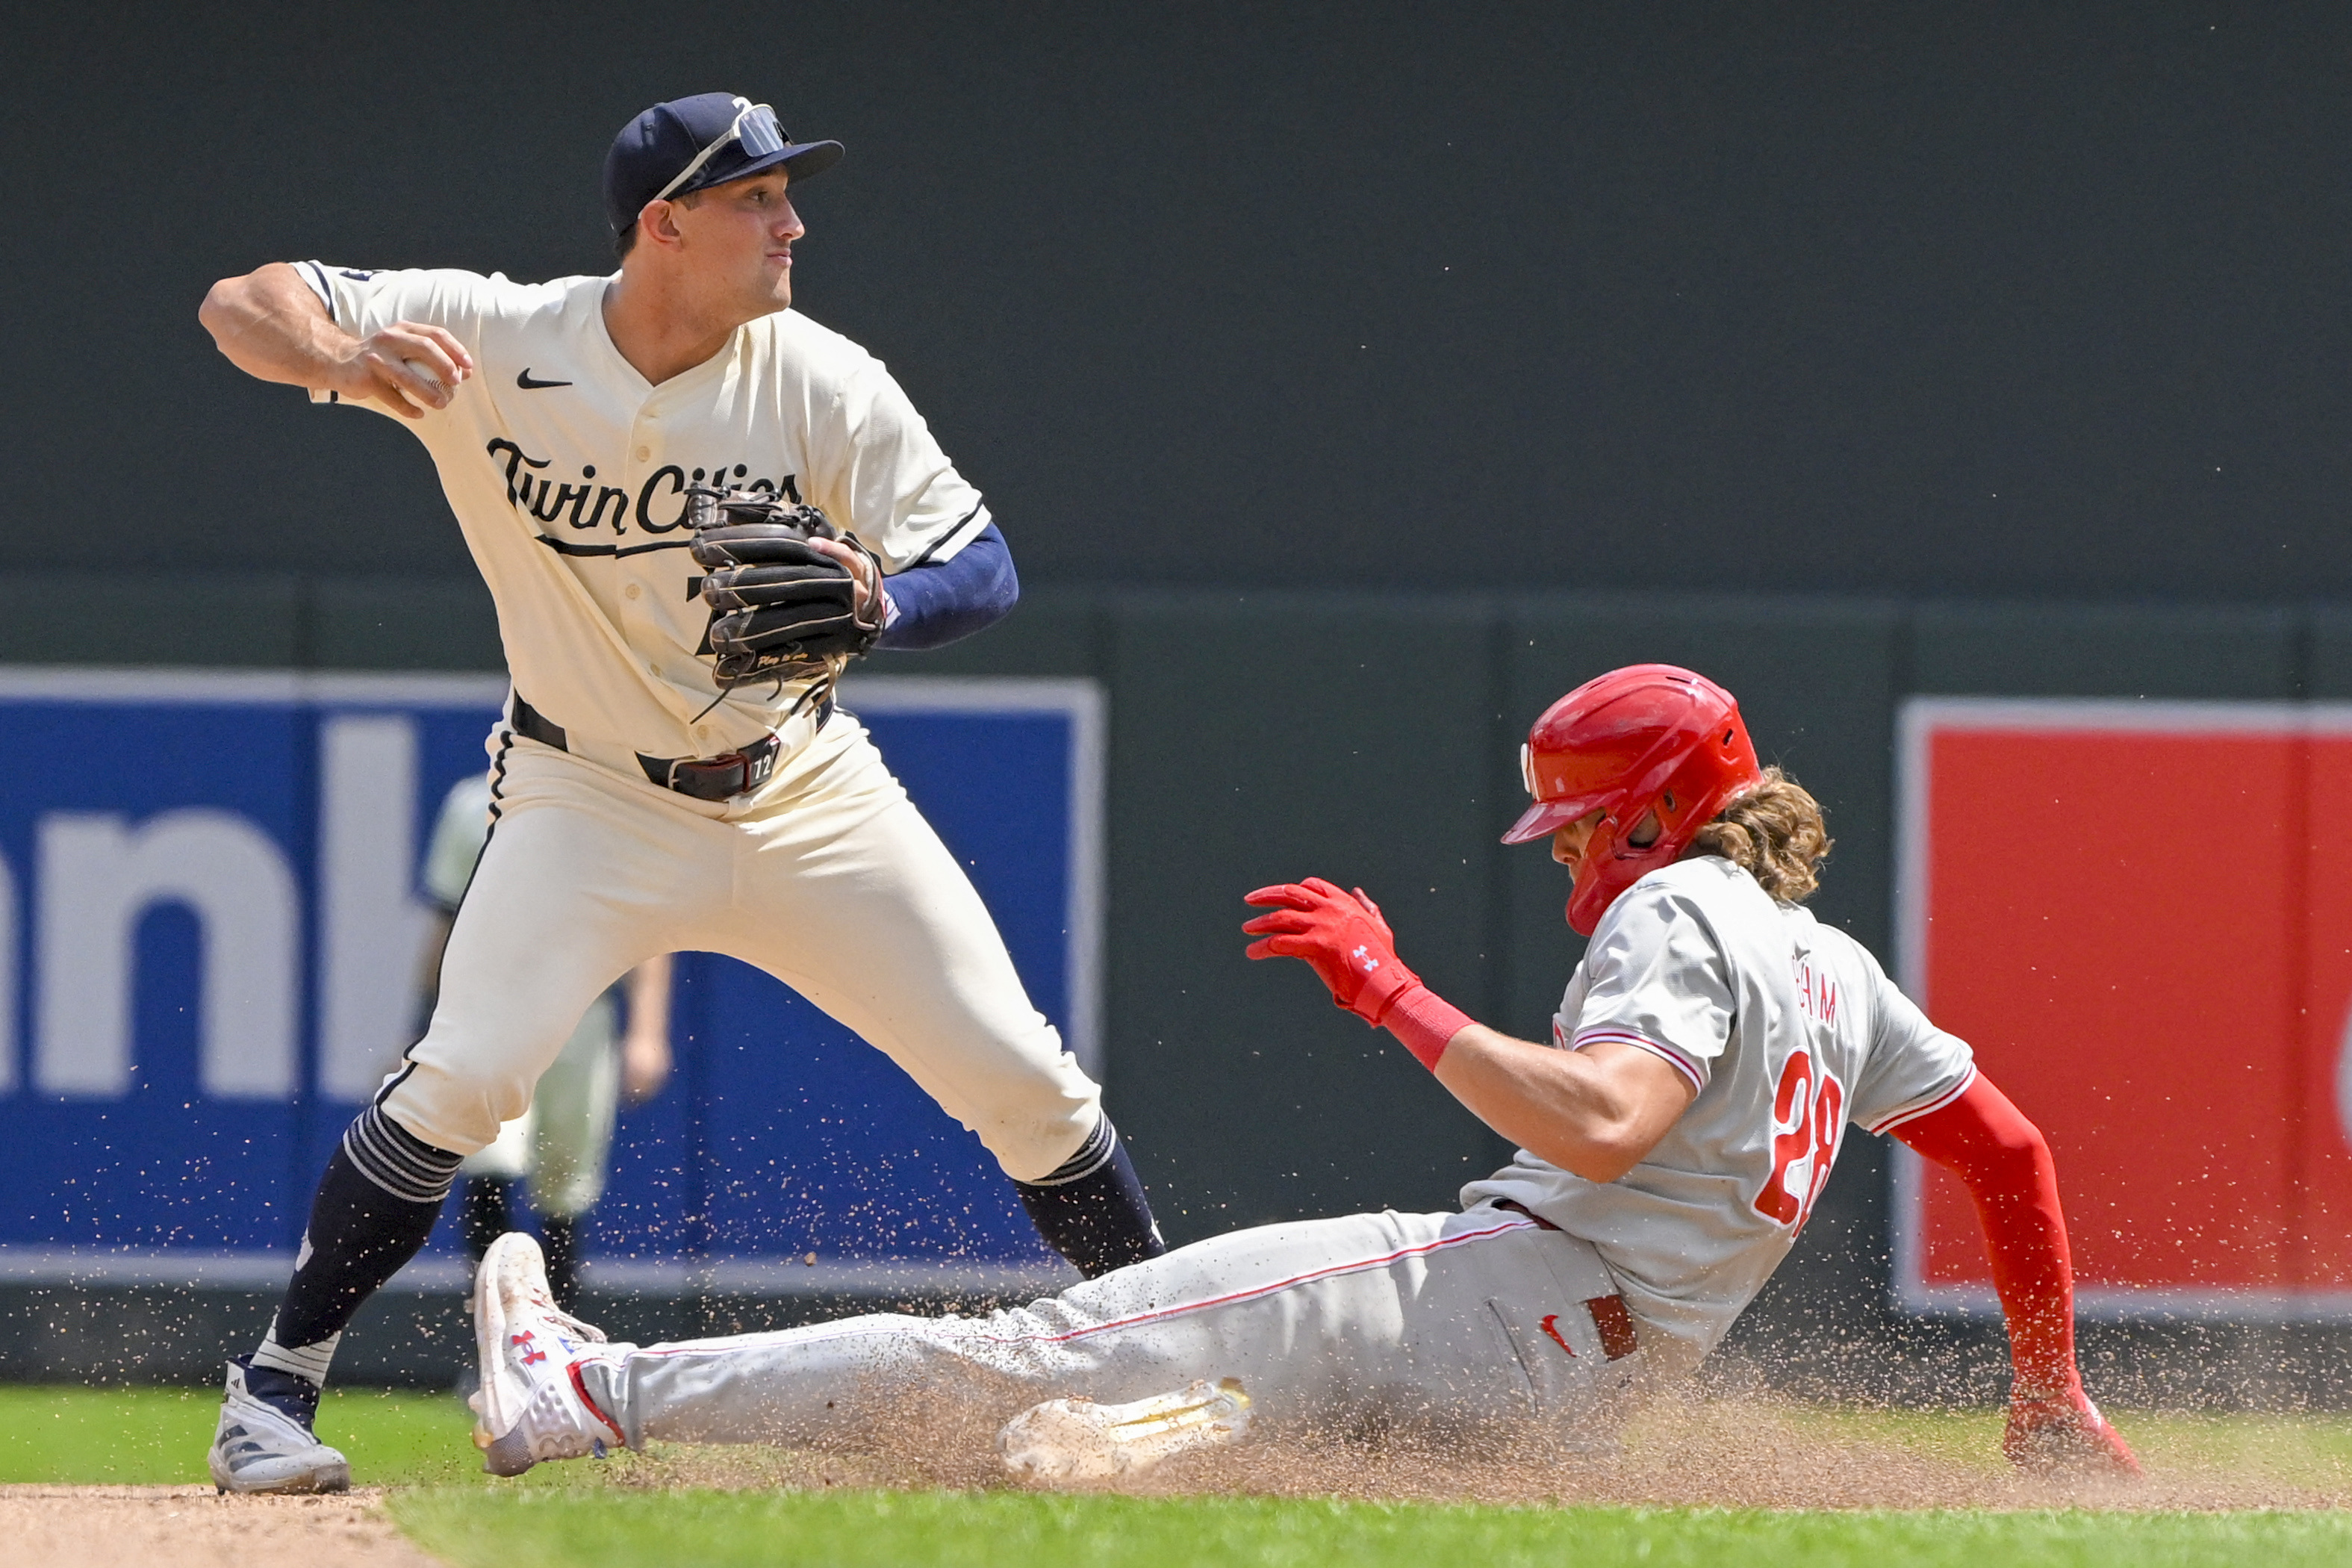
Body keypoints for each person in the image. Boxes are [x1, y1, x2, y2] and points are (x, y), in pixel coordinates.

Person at [460, 665, 2139, 1484]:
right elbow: (2013, 1156)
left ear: (1646, 813)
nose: (1569, 862)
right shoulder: (1834, 963)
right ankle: (1181, 1426)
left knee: (1019, 1348)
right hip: (1600, 1396)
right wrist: (2046, 1386)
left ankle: (585, 1393)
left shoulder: (1677, 908)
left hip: (1514, 1293)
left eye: (1579, 829)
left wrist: (1393, 992)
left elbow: (1612, 1126)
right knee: (1066, 1413)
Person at [195, 90, 1163, 1496]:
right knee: (465, 1074)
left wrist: (885, 601)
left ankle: (1179, 1357)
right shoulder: (497, 334)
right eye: (758, 197)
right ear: (666, 224)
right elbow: (241, 304)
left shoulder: (821, 377)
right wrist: (346, 360)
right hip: (585, 797)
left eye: (786, 194)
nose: (793, 221)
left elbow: (987, 566)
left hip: (804, 792)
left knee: (1022, 1079)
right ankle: (273, 1392)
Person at [417, 773, 674, 1311]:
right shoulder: (473, 804)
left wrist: (647, 1033)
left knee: (566, 1181)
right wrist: (421, 1027)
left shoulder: (615, 802)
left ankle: (560, 1336)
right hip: (493, 1013)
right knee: (489, 1161)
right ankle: (498, 1338)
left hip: (582, 1011)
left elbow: (646, 932)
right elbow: (446, 927)